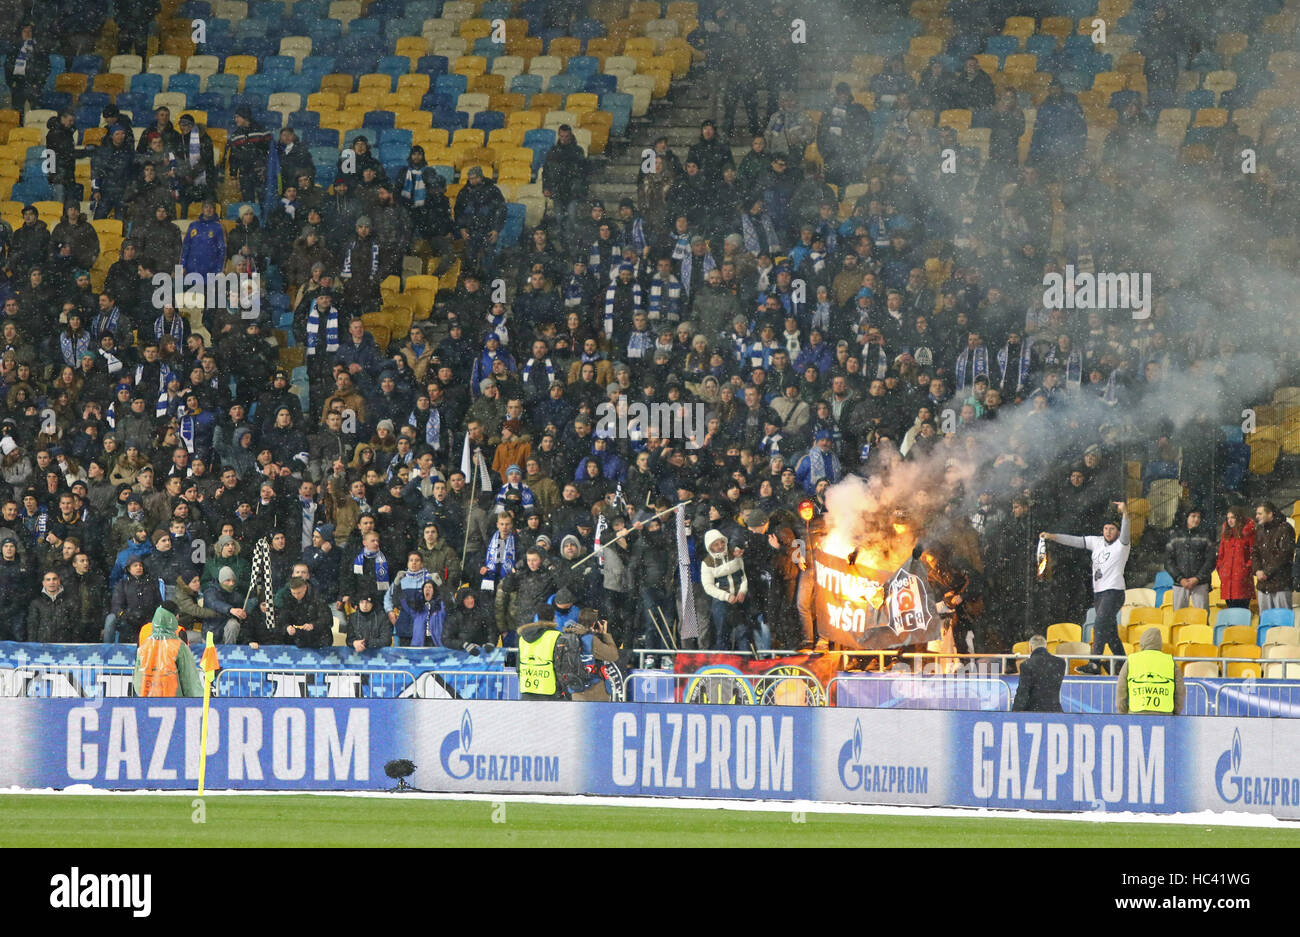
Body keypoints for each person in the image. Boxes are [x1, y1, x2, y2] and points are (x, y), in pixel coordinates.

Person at [1041, 501, 1129, 675]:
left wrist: (1125, 514)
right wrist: (1052, 536)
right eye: (1106, 529)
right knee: (1110, 633)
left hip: (1114, 591)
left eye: (1112, 529)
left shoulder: (1122, 545)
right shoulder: (1095, 542)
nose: (1108, 532)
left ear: (1117, 531)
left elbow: (1126, 530)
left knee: (1100, 623)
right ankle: (1123, 664)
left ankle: (1094, 663)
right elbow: (1074, 540)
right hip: (1099, 593)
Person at [133, 602, 203, 698]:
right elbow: (189, 681)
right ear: (173, 617)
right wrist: (197, 703)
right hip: (173, 704)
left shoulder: (144, 646)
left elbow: (138, 680)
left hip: (148, 704)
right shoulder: (179, 646)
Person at [1116, 626, 1184, 714]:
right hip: (1164, 715)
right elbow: (1180, 691)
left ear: (1142, 642)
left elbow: (1121, 690)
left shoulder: (1132, 660)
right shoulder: (1170, 661)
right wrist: (1175, 713)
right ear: (1160, 643)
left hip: (1136, 715)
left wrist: (1123, 713)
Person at [1164, 507, 1215, 611]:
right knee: (1179, 618)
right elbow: (1168, 561)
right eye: (1193, 516)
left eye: (1198, 517)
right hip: (1180, 584)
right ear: (1186, 517)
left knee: (1202, 618)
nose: (1196, 519)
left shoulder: (1206, 536)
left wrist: (1198, 578)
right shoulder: (1175, 535)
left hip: (1200, 583)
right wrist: (1180, 578)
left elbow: (1211, 560)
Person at [567, 608, 619, 701]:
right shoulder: (591, 640)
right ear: (594, 623)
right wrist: (605, 635)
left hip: (575, 687)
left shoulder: (568, 636)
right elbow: (613, 655)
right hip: (593, 689)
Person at [1251, 501, 1294, 610]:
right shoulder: (1260, 530)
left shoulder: (1285, 528)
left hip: (1281, 584)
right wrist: (1257, 570)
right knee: (1266, 622)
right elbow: (1255, 552)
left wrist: (1267, 572)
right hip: (1263, 585)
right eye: (1257, 514)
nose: (1257, 516)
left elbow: (1284, 554)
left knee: (1283, 622)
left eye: (1260, 513)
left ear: (1270, 514)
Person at [1011, 634, 1064, 712]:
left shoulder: (1026, 665)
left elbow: (1023, 692)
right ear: (1047, 647)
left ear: (1030, 648)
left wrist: (1015, 712)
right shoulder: (1061, 663)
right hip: (1054, 711)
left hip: (1033, 713)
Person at [1215, 506, 1255, 610]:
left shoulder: (1248, 533)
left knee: (1242, 613)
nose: (1230, 520)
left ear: (1239, 518)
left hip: (1242, 581)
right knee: (1231, 614)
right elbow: (1221, 555)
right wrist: (1222, 570)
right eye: (1228, 518)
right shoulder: (1226, 535)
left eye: (1232, 517)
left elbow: (1254, 554)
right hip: (1227, 581)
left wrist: (1245, 569)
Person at [517, 616, 561, 700]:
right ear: (554, 618)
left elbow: (518, 664)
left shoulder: (523, 637)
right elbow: (560, 665)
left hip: (527, 688)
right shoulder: (556, 635)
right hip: (549, 690)